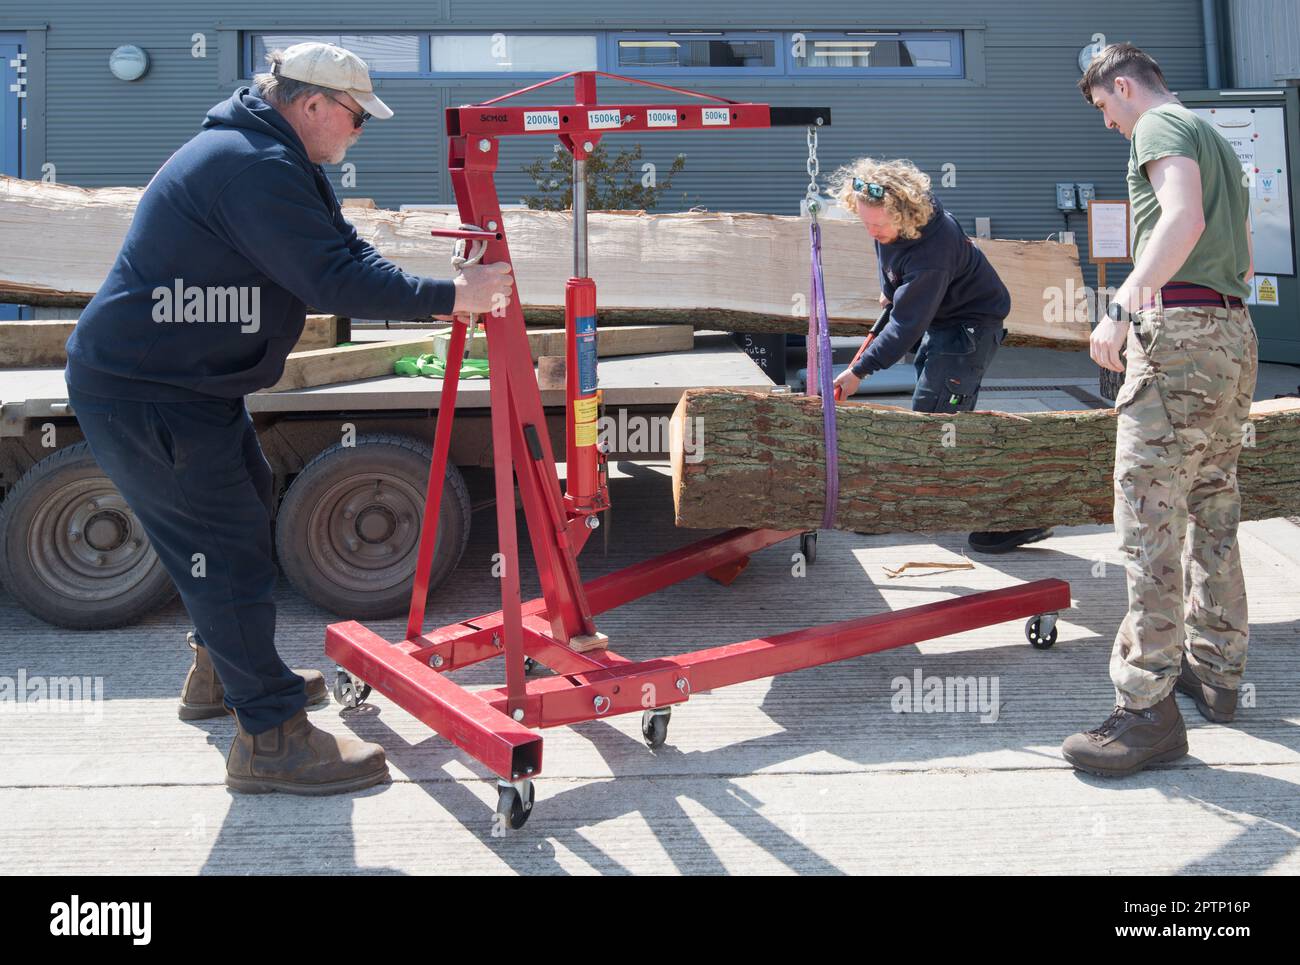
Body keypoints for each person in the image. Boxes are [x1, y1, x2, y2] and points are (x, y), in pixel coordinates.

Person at [64, 42, 514, 795]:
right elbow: (330, 277)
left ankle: (224, 674)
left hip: (186, 385)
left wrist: (436, 286)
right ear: (312, 106)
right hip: (149, 390)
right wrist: (451, 296)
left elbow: (338, 248)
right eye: (356, 117)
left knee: (243, 515)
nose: (360, 131)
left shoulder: (271, 155)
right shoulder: (253, 165)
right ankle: (270, 738)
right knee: (227, 552)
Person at [1061, 43, 1257, 778]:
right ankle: (1218, 671)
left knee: (1147, 519)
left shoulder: (1159, 126)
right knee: (1214, 502)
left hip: (1178, 338)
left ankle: (1146, 710)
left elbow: (1183, 218)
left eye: (1106, 109)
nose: (1111, 126)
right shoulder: (1214, 136)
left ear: (1122, 87)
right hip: (1231, 335)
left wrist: (1120, 306)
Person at [828, 158, 1053, 552]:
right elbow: (892, 270)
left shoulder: (932, 251)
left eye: (878, 226)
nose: (872, 232)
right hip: (944, 322)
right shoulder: (895, 225)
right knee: (944, 421)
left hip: (967, 330)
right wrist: (892, 288)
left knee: (937, 424)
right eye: (865, 224)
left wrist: (858, 371)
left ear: (904, 213)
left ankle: (1018, 516)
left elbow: (905, 327)